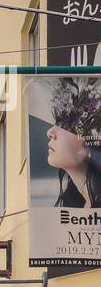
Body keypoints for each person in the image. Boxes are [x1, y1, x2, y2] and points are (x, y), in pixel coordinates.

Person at [47, 76, 101, 208]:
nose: (49, 133)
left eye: (65, 125)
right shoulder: (78, 204)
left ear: (88, 145)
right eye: (56, 123)